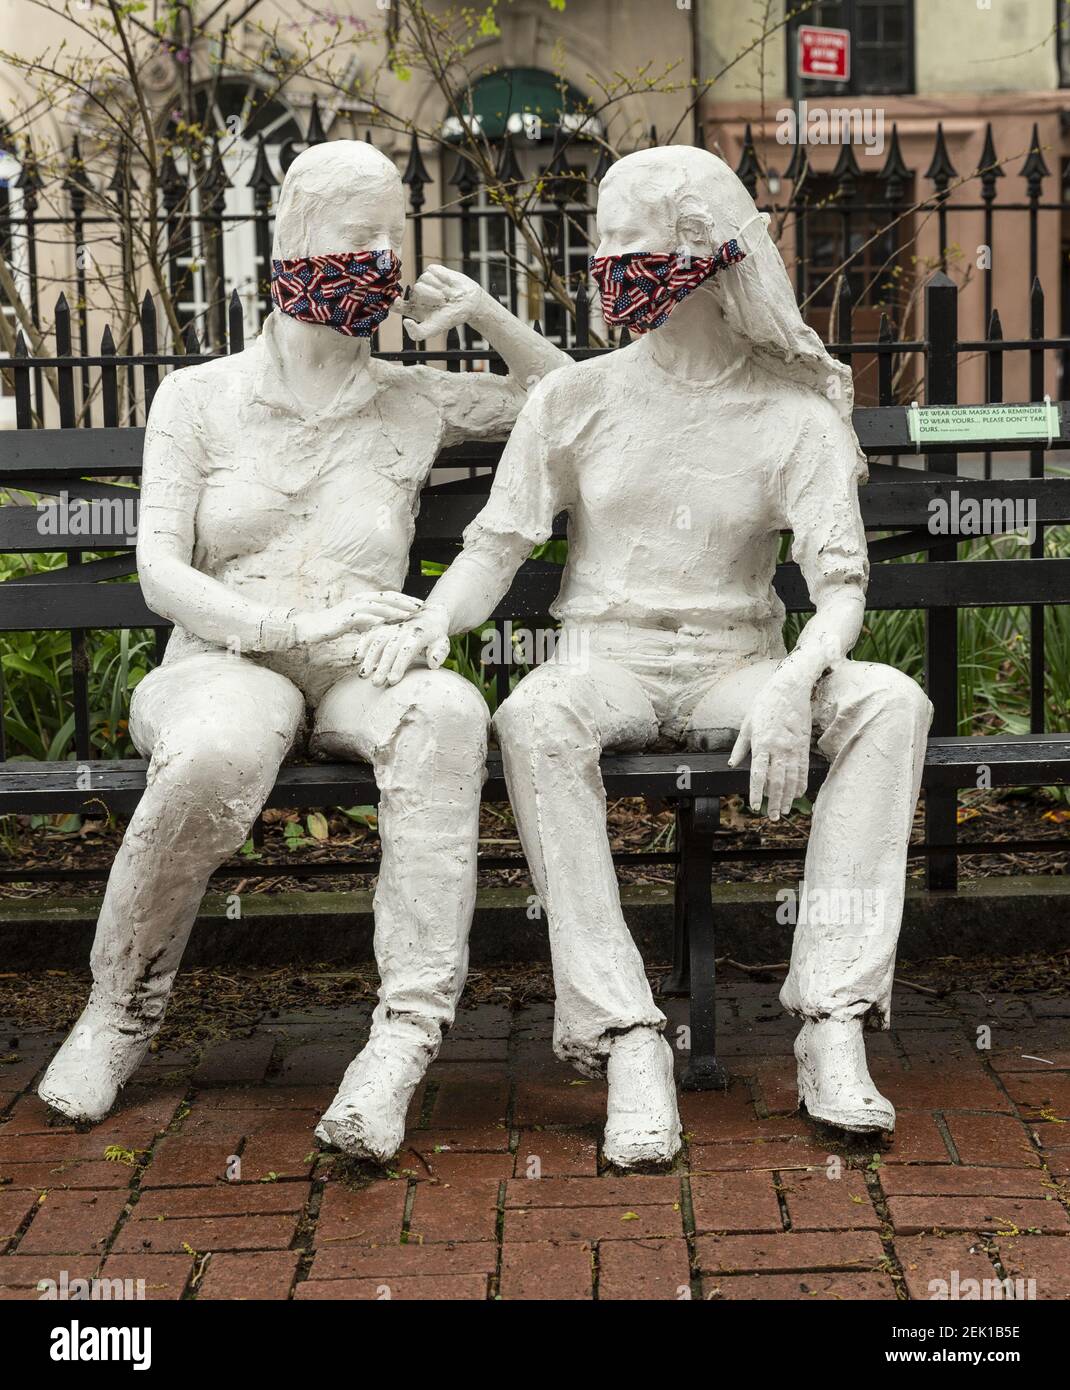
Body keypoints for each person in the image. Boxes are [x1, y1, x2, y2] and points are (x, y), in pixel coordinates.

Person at [356, 146, 933, 1167]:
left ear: (704, 255)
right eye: (601, 243)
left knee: (888, 701)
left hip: (735, 657)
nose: (603, 264)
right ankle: (625, 1034)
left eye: (625, 242)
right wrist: (434, 620)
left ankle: (831, 1020)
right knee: (534, 715)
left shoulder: (790, 415)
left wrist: (797, 680)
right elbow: (495, 544)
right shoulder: (575, 400)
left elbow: (840, 587)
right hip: (606, 656)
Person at [39, 140, 569, 1161]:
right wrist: (286, 627)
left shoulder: (416, 398)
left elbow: (576, 408)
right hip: (219, 661)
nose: (380, 259)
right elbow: (160, 573)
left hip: (356, 669)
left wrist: (492, 321)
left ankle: (399, 1046)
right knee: (220, 749)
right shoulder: (198, 398)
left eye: (392, 240)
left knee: (447, 714)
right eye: (357, 237)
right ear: (291, 246)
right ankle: (120, 1010)